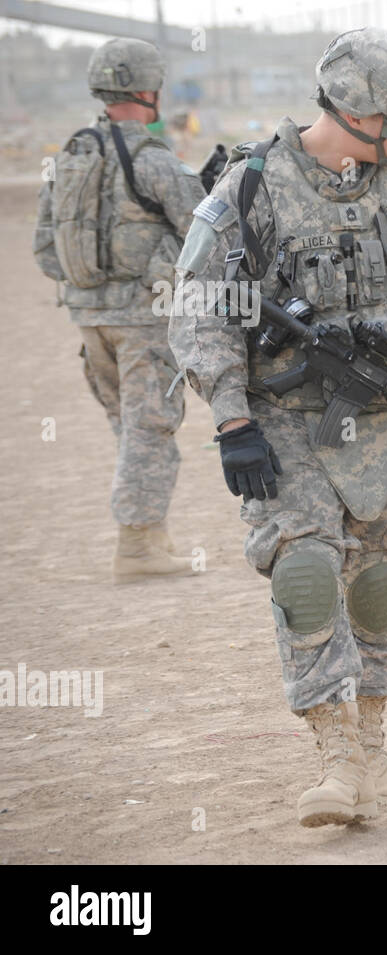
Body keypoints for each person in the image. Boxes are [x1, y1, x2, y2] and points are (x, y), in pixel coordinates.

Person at [168, 28, 387, 827]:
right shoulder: (246, 193)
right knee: (306, 569)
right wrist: (232, 422)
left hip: (384, 419)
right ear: (356, 111)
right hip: (280, 420)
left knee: (375, 580)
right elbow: (198, 314)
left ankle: (371, 745)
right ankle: (330, 760)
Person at [33, 38, 206, 582]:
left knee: (129, 426)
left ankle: (151, 534)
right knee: (150, 427)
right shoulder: (154, 161)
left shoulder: (69, 158)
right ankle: (137, 549)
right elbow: (205, 236)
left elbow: (44, 246)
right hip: (142, 322)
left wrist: (91, 289)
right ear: (148, 89)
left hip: (89, 320)